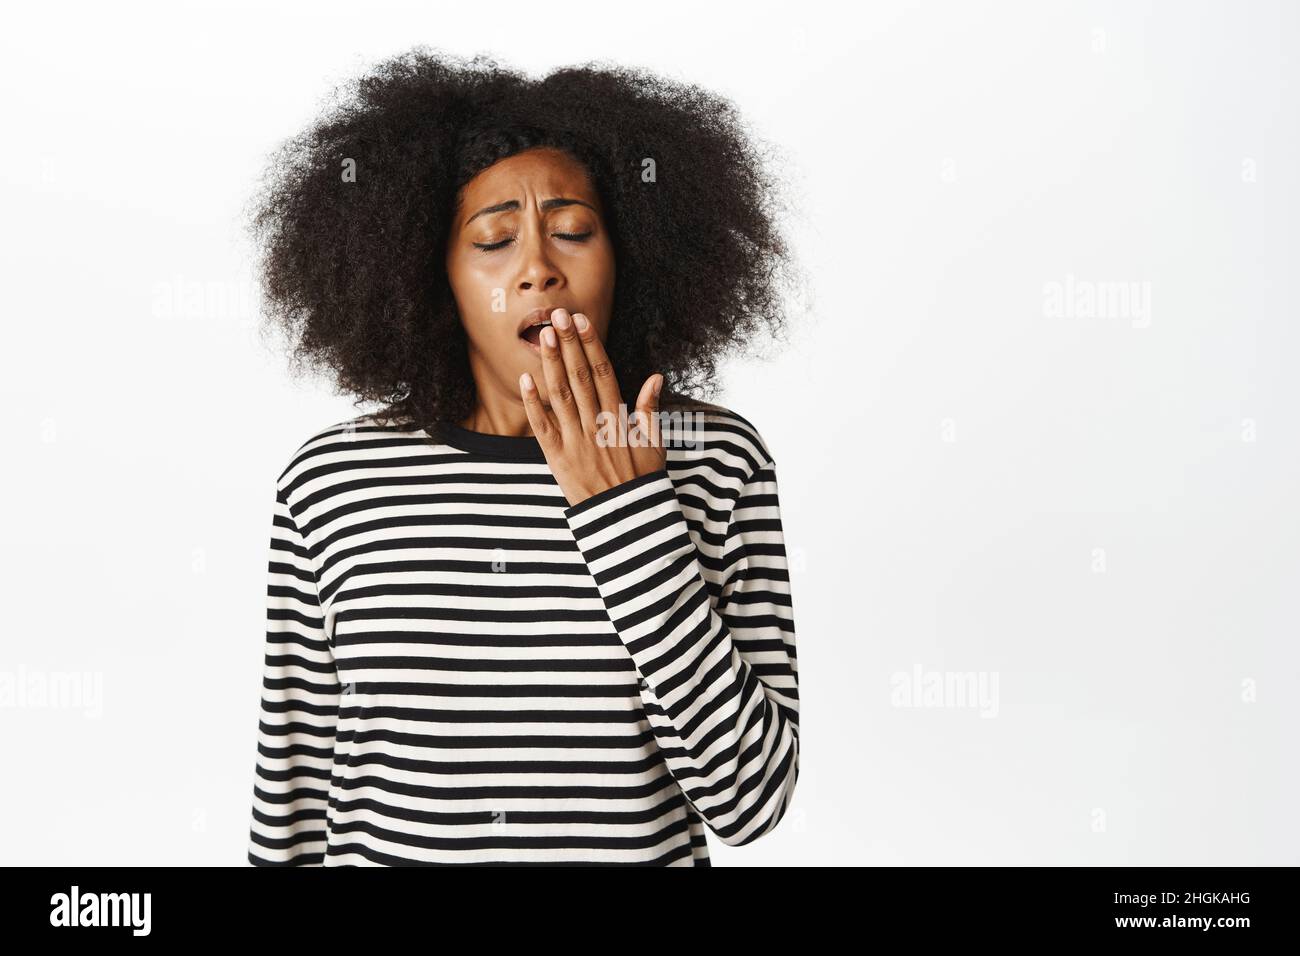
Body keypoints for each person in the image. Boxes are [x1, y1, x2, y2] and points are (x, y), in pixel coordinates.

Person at [246, 47, 801, 865]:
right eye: (495, 240)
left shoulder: (714, 462)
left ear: (632, 256)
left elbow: (751, 802)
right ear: (432, 277)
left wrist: (630, 514)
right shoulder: (334, 484)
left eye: (573, 230)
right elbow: (289, 798)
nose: (539, 269)